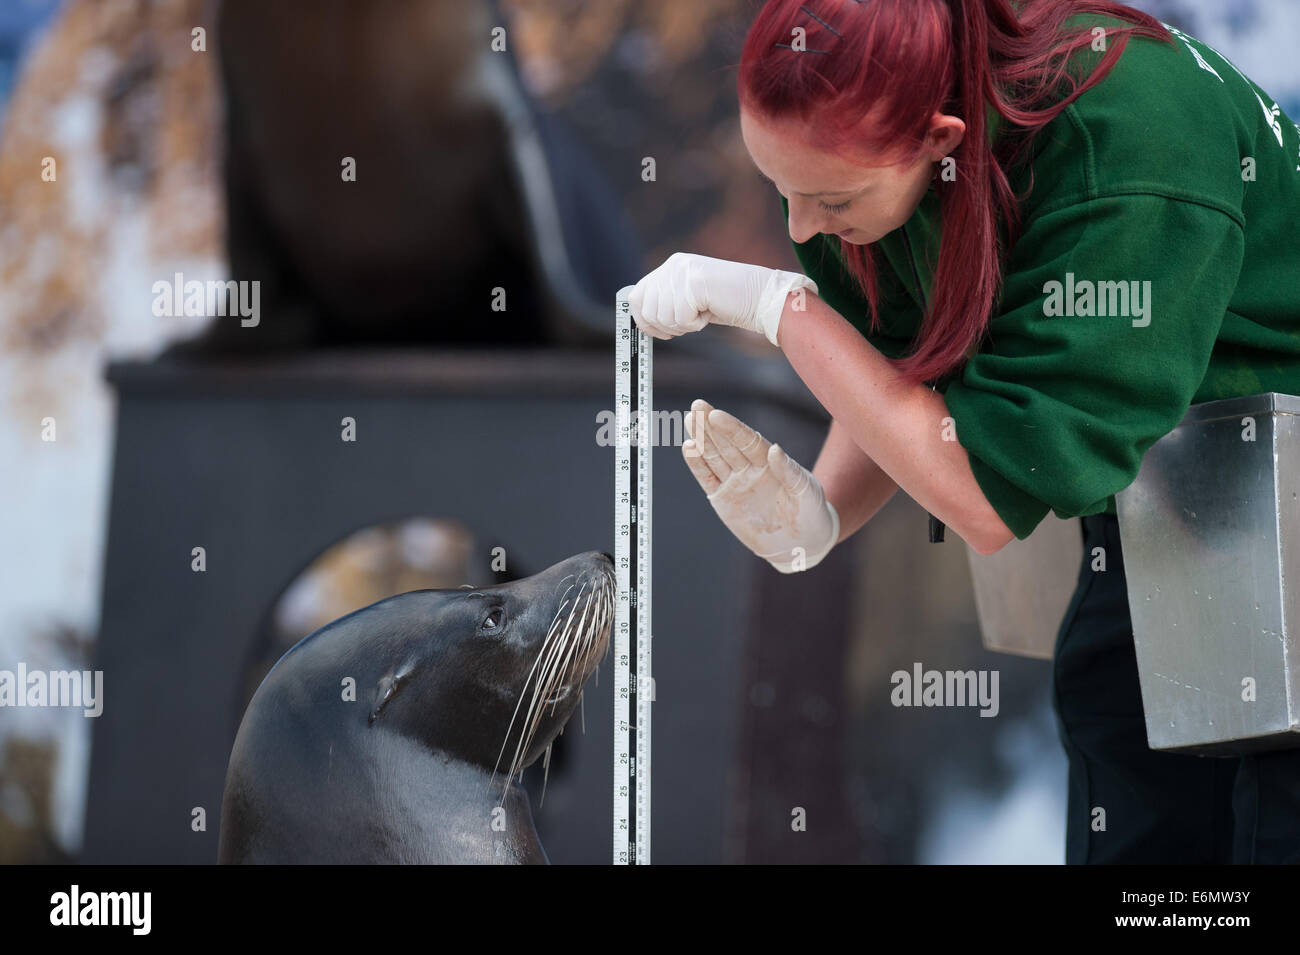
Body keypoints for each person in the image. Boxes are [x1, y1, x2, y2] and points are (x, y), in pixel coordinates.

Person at [621, 0, 1300, 864]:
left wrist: (779, 309)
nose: (799, 229)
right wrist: (820, 511)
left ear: (940, 141)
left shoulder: (1127, 146)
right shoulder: (879, 163)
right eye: (780, 189)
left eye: (827, 198)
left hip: (1287, 494)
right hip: (1178, 504)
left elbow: (982, 486)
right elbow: (904, 364)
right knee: (1137, 821)